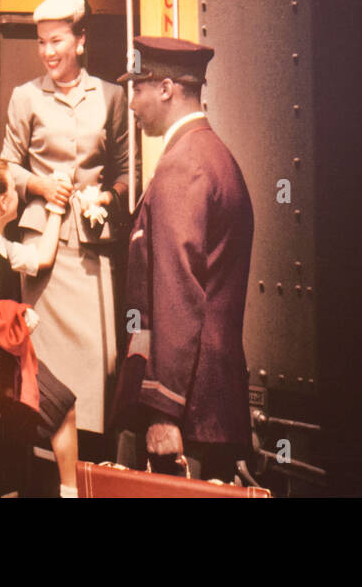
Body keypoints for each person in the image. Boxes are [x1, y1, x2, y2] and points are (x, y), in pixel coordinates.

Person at [113, 36, 254, 482]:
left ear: (167, 88)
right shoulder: (217, 156)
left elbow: (178, 292)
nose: (130, 103)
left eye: (137, 89)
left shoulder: (182, 164)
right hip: (212, 402)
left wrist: (163, 407)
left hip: (187, 410)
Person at [0, 0, 129, 436]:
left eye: (57, 41)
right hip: (44, 254)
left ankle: (87, 464)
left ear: (80, 40)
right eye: (41, 42)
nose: (48, 52)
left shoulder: (112, 98)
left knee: (99, 359)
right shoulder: (25, 98)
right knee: (48, 366)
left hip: (93, 247)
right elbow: (6, 168)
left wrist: (107, 197)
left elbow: (128, 171)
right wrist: (39, 185)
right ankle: (45, 470)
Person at [0, 157, 79, 498]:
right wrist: (19, 315)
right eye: (13, 189)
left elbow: (42, 258)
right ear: (5, 202)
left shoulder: (1, 246)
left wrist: (55, 207)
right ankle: (71, 492)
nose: (19, 197)